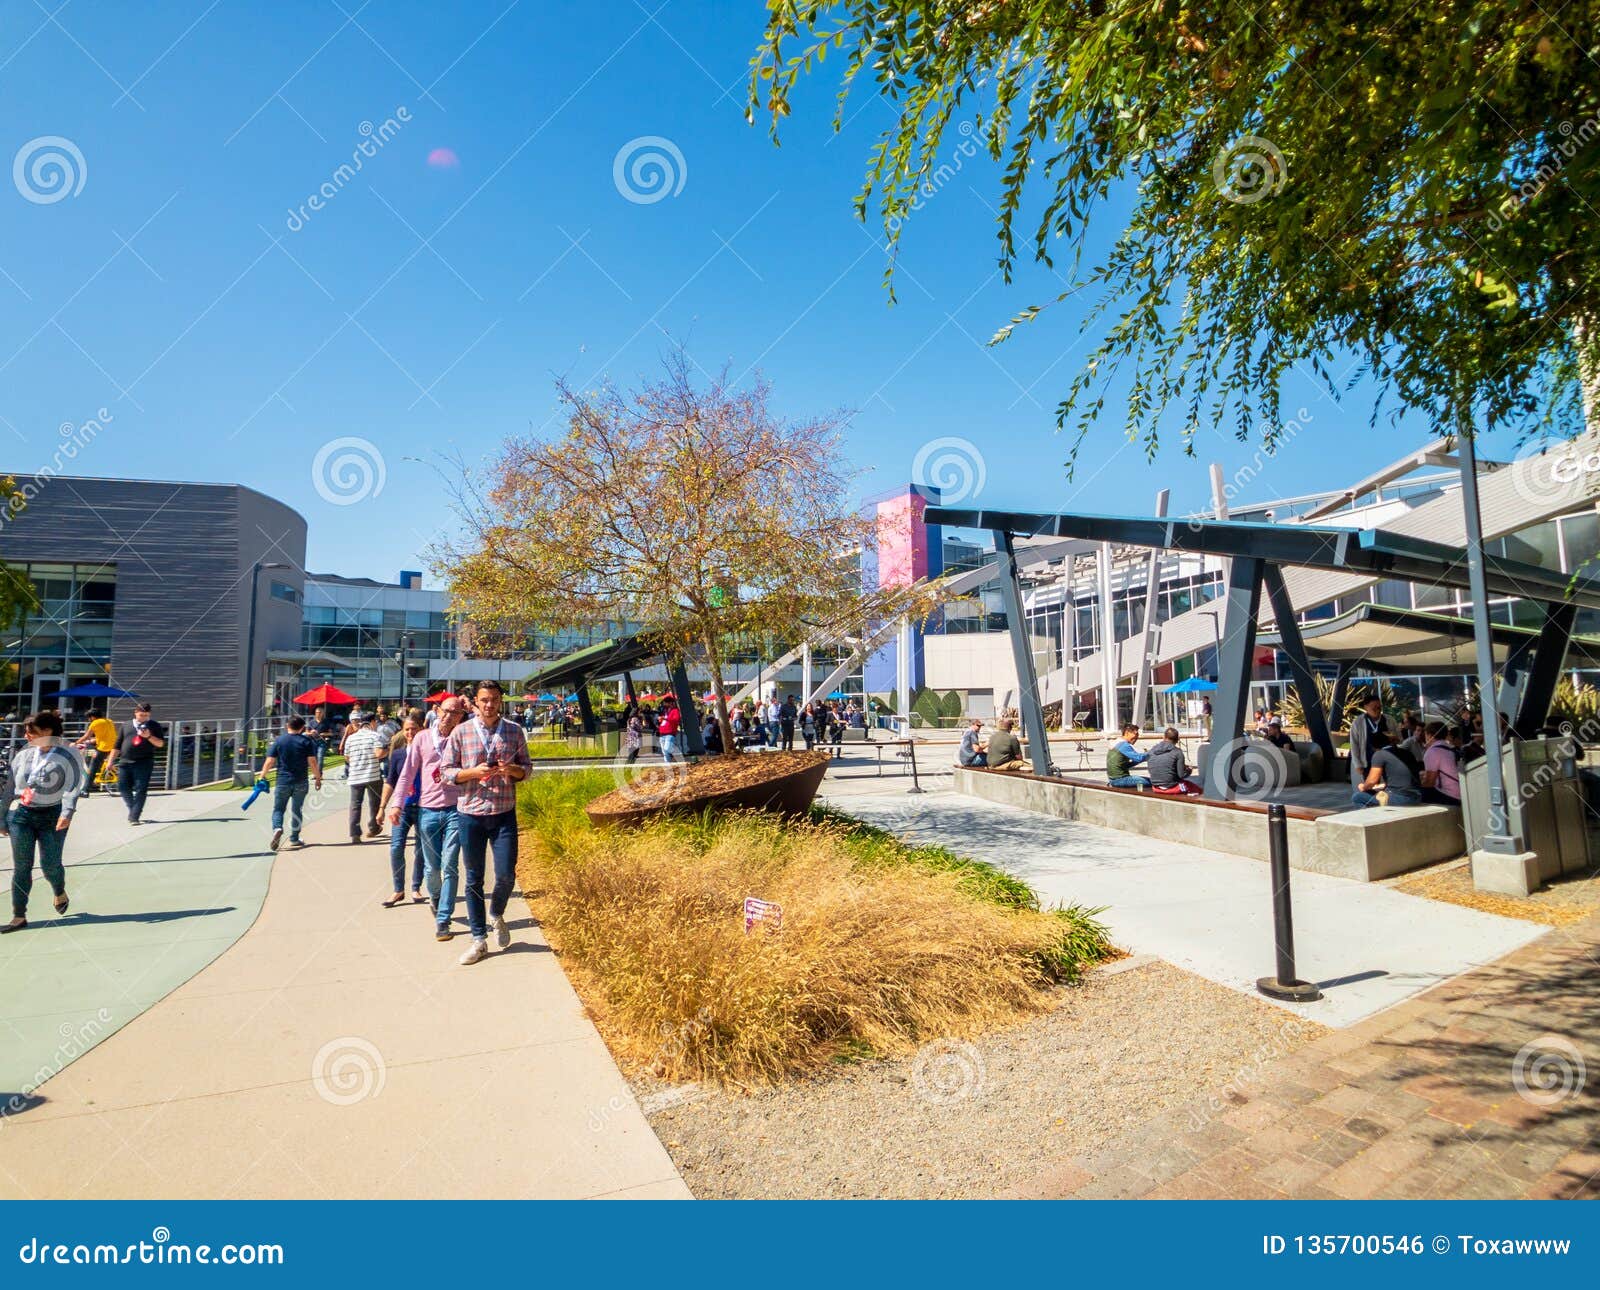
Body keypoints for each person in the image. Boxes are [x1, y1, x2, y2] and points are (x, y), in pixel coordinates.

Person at [442, 680, 531, 966]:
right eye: (484, 700)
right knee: (473, 878)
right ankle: (478, 939)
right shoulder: (461, 732)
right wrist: (472, 772)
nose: (489, 704)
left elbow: (527, 770)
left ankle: (496, 912)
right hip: (470, 813)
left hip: (504, 811)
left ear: (500, 701)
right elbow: (445, 772)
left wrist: (512, 769)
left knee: (506, 874)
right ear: (476, 703)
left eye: (494, 699)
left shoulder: (514, 731)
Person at [391, 694, 467, 941]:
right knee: (432, 868)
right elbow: (406, 774)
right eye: (446, 711)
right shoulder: (422, 738)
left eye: (456, 713)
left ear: (461, 716)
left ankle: (443, 919)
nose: (450, 717)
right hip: (428, 810)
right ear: (437, 710)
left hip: (456, 809)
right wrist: (396, 805)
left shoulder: (463, 736)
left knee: (450, 865)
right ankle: (435, 898)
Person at [1, 711, 86, 933]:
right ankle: (19, 916)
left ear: (48, 732)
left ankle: (59, 891)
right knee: (22, 867)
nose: (27, 736)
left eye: (32, 732)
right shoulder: (24, 754)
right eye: (26, 732)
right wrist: (1, 816)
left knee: (50, 865)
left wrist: (67, 813)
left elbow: (72, 786)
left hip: (52, 815)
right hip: (21, 816)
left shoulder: (68, 754)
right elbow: (10, 787)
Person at [376, 715, 425, 906]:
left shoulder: (427, 752)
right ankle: (398, 889)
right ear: (402, 732)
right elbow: (390, 781)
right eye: (407, 729)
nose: (410, 733)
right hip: (402, 807)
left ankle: (416, 887)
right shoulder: (397, 754)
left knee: (421, 849)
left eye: (414, 729)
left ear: (421, 729)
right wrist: (381, 808)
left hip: (423, 807)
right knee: (396, 847)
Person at [261, 715, 322, 851]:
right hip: (300, 780)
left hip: (282, 781)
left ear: (287, 726)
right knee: (296, 810)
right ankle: (294, 838)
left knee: (278, 809)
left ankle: (277, 828)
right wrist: (318, 778)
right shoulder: (306, 741)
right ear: (302, 728)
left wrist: (262, 777)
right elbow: (312, 762)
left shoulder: (279, 741)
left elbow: (270, 761)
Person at [107, 701, 166, 825]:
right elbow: (117, 745)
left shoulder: (154, 725)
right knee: (122, 787)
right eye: (141, 715)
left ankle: (134, 817)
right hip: (124, 761)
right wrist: (110, 761)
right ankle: (134, 809)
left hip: (144, 762)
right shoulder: (126, 725)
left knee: (141, 789)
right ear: (135, 713)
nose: (144, 718)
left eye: (146, 715)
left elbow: (160, 744)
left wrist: (149, 737)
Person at [342, 711, 386, 842]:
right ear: (372, 722)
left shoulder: (351, 738)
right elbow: (378, 753)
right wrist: (388, 751)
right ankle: (373, 828)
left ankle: (355, 833)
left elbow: (347, 757)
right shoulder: (375, 736)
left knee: (355, 805)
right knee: (375, 803)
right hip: (373, 776)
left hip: (355, 776)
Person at [1352, 730, 1423, 807]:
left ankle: (1375, 818)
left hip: (1401, 797)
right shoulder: (1407, 752)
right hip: (1417, 796)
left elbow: (1371, 781)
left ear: (1374, 747)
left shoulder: (1380, 754)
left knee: (1357, 797)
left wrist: (1363, 786)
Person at [72, 707, 117, 793]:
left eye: (89, 717)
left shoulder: (95, 723)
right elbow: (106, 735)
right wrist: (93, 740)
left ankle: (85, 790)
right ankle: (99, 777)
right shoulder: (109, 721)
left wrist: (76, 743)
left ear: (93, 717)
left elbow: (86, 736)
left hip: (104, 748)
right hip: (114, 747)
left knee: (93, 768)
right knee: (98, 761)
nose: (89, 719)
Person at [1145, 727, 1203, 794]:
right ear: (1177, 740)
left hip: (1155, 788)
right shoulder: (1177, 752)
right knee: (1197, 789)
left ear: (1164, 737)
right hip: (1172, 788)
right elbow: (1181, 775)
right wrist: (1189, 770)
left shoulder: (1152, 751)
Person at [1347, 694, 1388, 787]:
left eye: (1379, 707)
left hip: (1387, 761)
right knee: (1371, 788)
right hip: (1368, 762)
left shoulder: (1389, 720)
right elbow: (1354, 745)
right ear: (1366, 707)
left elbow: (1399, 739)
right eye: (1374, 708)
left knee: (1388, 788)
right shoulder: (1358, 723)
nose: (1378, 710)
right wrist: (1357, 764)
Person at [1420, 722, 1461, 807]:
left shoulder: (1432, 751)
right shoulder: (1450, 748)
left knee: (1420, 792)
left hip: (1449, 795)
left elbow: (1430, 782)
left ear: (1429, 735)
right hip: (1460, 792)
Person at [1106, 723, 1148, 789]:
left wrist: (1144, 757)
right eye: (1135, 734)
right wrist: (1150, 754)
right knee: (1153, 781)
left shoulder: (1117, 742)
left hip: (1113, 780)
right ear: (1127, 732)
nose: (1137, 737)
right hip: (1119, 780)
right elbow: (1138, 758)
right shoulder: (1123, 745)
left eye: (1138, 734)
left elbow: (1124, 765)